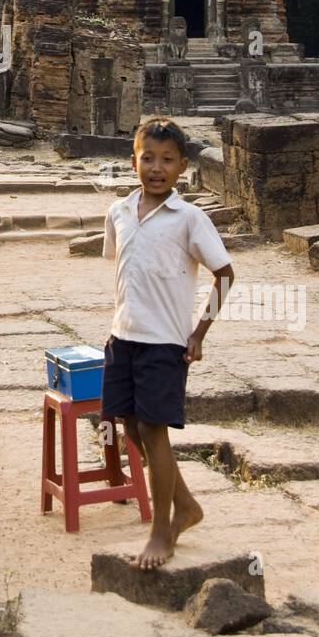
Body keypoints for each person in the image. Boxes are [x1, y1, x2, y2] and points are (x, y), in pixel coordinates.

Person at [102, 116, 234, 570]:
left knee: (154, 431)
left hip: (165, 343)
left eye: (167, 160)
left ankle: (162, 531)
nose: (156, 168)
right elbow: (123, 270)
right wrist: (122, 322)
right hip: (124, 336)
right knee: (133, 428)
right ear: (133, 160)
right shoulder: (118, 212)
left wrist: (198, 333)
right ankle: (188, 506)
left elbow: (225, 275)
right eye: (148, 158)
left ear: (183, 167)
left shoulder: (190, 219)